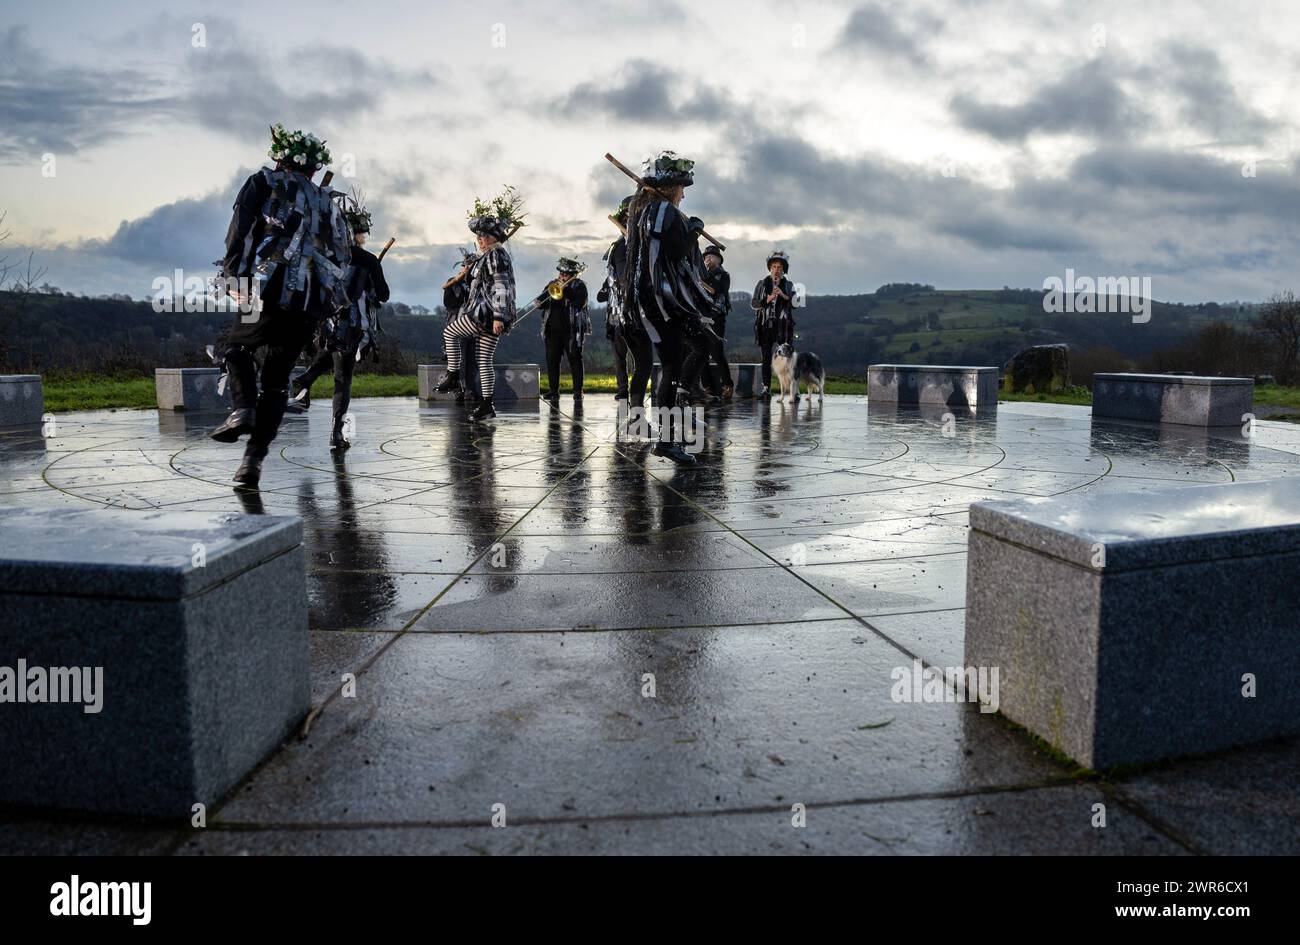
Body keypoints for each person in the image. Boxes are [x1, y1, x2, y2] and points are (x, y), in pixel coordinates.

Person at [211, 123, 352, 486]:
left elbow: (241, 228)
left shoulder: (264, 182)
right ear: (313, 168)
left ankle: (242, 409)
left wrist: (232, 275)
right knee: (275, 381)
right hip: (308, 303)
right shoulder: (329, 203)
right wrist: (326, 303)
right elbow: (341, 255)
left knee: (233, 346)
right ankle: (251, 464)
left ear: (281, 160)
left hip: (269, 290)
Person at [620, 150, 715, 465]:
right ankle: (670, 433)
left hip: (647, 300)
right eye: (682, 187)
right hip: (663, 300)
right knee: (689, 354)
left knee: (684, 356)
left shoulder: (643, 212)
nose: (684, 194)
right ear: (671, 186)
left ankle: (674, 422)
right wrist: (695, 230)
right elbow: (675, 252)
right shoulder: (664, 211)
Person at [289, 195, 390, 450]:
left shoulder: (329, 255)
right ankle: (336, 433)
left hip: (327, 322)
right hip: (351, 324)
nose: (365, 237)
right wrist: (370, 277)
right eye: (363, 233)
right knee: (342, 379)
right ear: (359, 233)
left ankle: (304, 380)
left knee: (329, 355)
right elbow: (384, 295)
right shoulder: (367, 259)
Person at [432, 187, 524, 421]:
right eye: (479, 236)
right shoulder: (489, 255)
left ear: (495, 237)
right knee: (484, 361)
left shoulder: (495, 255)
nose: (480, 239)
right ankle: (486, 405)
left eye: (485, 236)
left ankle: (453, 374)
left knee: (450, 332)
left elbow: (502, 286)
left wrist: (498, 317)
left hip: (485, 313)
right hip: (489, 314)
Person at [598, 195, 654, 427]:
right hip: (628, 315)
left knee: (644, 364)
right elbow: (625, 281)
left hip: (636, 314)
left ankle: (636, 415)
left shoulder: (634, 246)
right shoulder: (623, 248)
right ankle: (636, 416)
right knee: (641, 363)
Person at [535, 257, 591, 404]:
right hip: (552, 331)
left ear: (573, 275)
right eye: (561, 274)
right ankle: (554, 391)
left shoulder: (579, 286)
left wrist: (566, 291)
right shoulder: (552, 284)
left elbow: (580, 303)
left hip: (572, 331)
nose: (562, 277)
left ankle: (578, 391)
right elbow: (539, 303)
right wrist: (543, 297)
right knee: (552, 360)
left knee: (575, 360)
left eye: (565, 275)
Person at [751, 250, 796, 401]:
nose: (776, 270)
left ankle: (792, 390)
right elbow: (754, 303)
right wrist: (767, 299)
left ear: (784, 270)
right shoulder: (762, 284)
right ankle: (766, 388)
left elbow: (796, 304)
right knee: (765, 358)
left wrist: (783, 295)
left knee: (787, 359)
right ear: (770, 268)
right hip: (765, 325)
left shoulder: (789, 285)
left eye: (779, 267)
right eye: (774, 266)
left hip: (783, 326)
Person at [441, 247, 481, 405]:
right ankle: (458, 389)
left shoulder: (477, 282)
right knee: (456, 359)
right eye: (465, 265)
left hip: (473, 325)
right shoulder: (452, 282)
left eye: (470, 265)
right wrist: (463, 297)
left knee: (472, 359)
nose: (467, 268)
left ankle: (470, 389)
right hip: (457, 324)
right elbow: (448, 303)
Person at [700, 244, 733, 400]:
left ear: (718, 259)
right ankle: (707, 387)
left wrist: (700, 281)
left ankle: (728, 384)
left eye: (710, 256)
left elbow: (716, 290)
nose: (707, 258)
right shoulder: (702, 274)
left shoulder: (723, 275)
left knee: (716, 352)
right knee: (700, 352)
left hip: (717, 317)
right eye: (705, 256)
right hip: (702, 316)